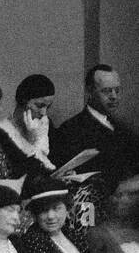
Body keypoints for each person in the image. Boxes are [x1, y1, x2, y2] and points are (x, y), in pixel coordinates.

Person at [53, 65, 139, 197]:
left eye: (117, 90)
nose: (114, 96)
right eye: (107, 91)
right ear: (90, 91)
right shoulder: (71, 129)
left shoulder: (123, 128)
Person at [0, 74, 57, 179]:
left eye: (48, 107)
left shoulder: (44, 124)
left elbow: (54, 162)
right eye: (39, 105)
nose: (44, 113)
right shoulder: (1, 131)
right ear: (23, 101)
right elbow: (22, 172)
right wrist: (34, 140)